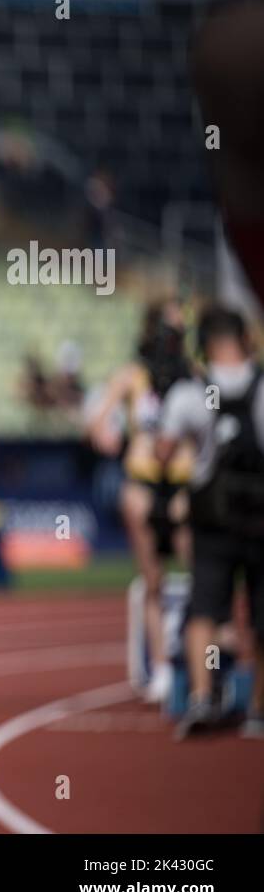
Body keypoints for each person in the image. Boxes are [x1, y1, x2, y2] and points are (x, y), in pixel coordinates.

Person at [156, 305, 264, 739]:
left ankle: (201, 696)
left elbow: (163, 452)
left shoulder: (190, 392)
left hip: (212, 521)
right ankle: (258, 709)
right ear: (246, 339)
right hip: (261, 520)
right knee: (261, 616)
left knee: (203, 609)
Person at [88, 301, 196, 702]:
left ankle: (206, 663)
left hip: (183, 485)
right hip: (143, 483)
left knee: (201, 574)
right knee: (153, 581)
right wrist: (106, 435)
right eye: (170, 329)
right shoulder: (132, 376)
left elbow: (214, 419)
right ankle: (164, 667)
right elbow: (98, 420)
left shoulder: (195, 376)